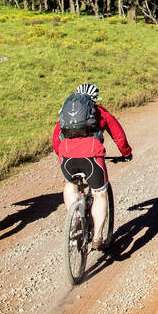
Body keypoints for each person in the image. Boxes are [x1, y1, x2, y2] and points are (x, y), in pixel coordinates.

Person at [51, 82, 132, 249]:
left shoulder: (67, 114)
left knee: (71, 184)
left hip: (66, 156)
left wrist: (62, 154)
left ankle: (73, 219)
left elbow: (55, 139)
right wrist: (126, 153)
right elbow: (118, 135)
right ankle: (97, 237)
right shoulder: (100, 112)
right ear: (94, 99)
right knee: (100, 194)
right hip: (92, 156)